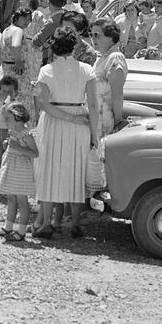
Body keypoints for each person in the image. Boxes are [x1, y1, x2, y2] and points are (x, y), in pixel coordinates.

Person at [32, 25, 100, 240]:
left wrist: (68, 117)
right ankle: (76, 223)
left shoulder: (46, 70)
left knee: (50, 169)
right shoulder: (87, 70)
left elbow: (42, 104)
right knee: (76, 170)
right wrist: (94, 134)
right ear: (74, 46)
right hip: (79, 119)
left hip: (54, 120)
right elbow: (95, 106)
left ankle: (46, 224)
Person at [0, 101, 37, 240]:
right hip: (12, 169)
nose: (5, 121)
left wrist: (17, 147)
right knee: (11, 198)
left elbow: (35, 153)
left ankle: (21, 232)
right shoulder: (13, 132)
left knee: (22, 201)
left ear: (17, 117)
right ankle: (8, 227)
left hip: (21, 171)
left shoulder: (26, 134)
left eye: (7, 118)